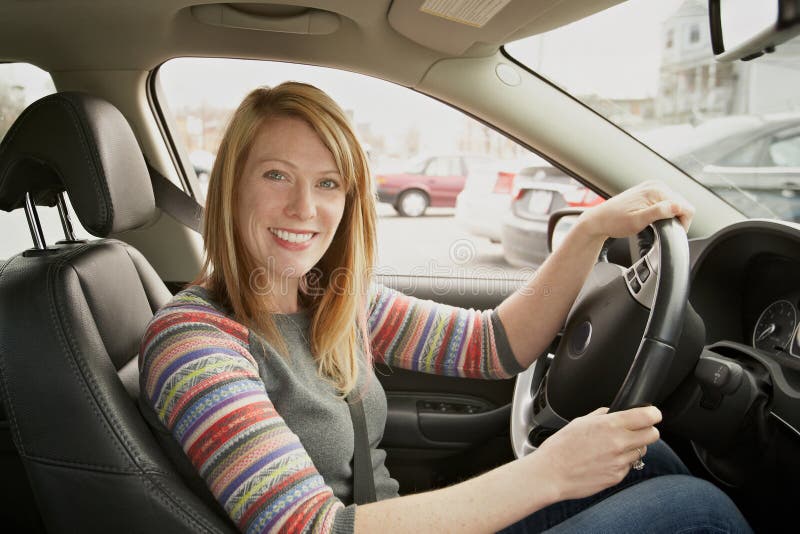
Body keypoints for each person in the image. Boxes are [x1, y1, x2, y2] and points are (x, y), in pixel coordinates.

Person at [139, 82, 751, 533]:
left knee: (647, 464)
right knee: (702, 514)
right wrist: (551, 472)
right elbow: (306, 529)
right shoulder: (194, 342)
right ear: (230, 186)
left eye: (328, 183)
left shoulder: (332, 299)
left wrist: (589, 231)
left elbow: (493, 345)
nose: (305, 207)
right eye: (276, 175)